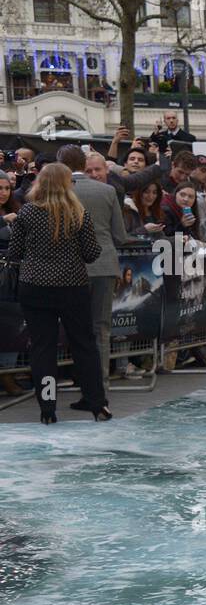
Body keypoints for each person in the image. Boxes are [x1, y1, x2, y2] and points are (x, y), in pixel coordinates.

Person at [7, 162, 109, 423]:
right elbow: (91, 253)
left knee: (43, 349)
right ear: (66, 184)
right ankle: (97, 404)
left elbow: (15, 253)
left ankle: (48, 409)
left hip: (35, 288)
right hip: (72, 287)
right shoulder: (78, 212)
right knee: (84, 345)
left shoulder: (27, 212)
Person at [60, 145, 129, 396]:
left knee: (76, 328)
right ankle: (100, 386)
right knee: (101, 328)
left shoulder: (62, 193)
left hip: (70, 268)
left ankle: (82, 382)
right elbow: (120, 236)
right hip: (104, 264)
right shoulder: (108, 191)